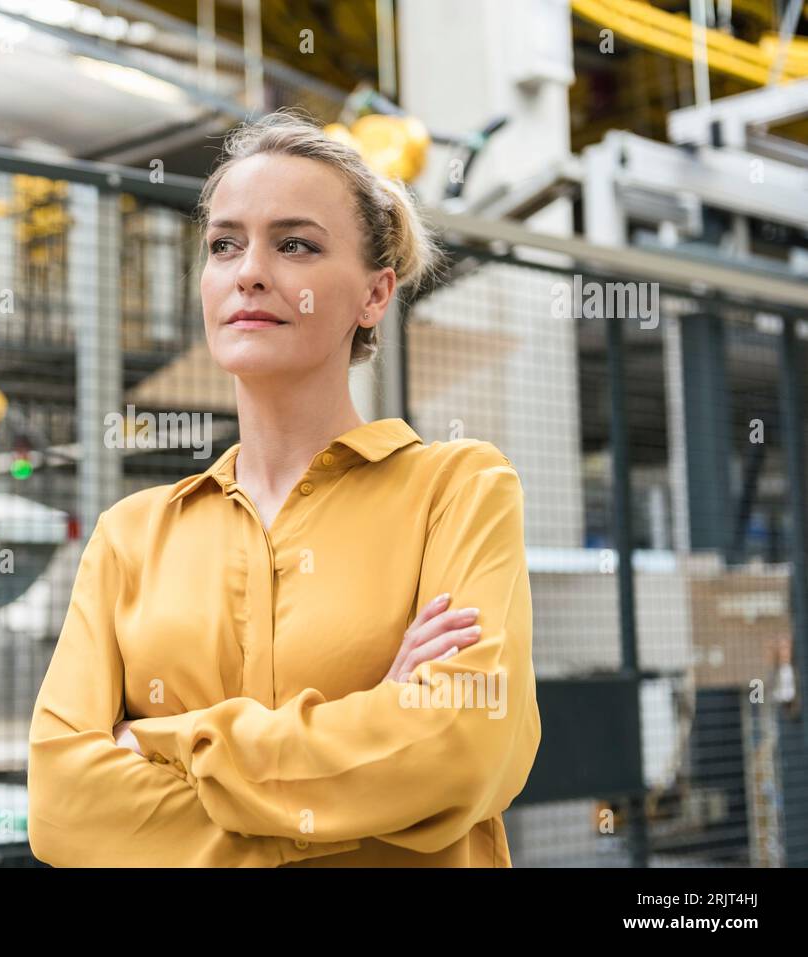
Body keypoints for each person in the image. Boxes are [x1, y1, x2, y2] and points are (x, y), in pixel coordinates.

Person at [27, 107, 541, 867]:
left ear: (375, 295)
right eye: (224, 244)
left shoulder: (457, 490)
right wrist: (365, 749)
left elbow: (460, 748)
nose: (250, 271)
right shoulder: (130, 536)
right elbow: (63, 809)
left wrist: (159, 743)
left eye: (295, 244)